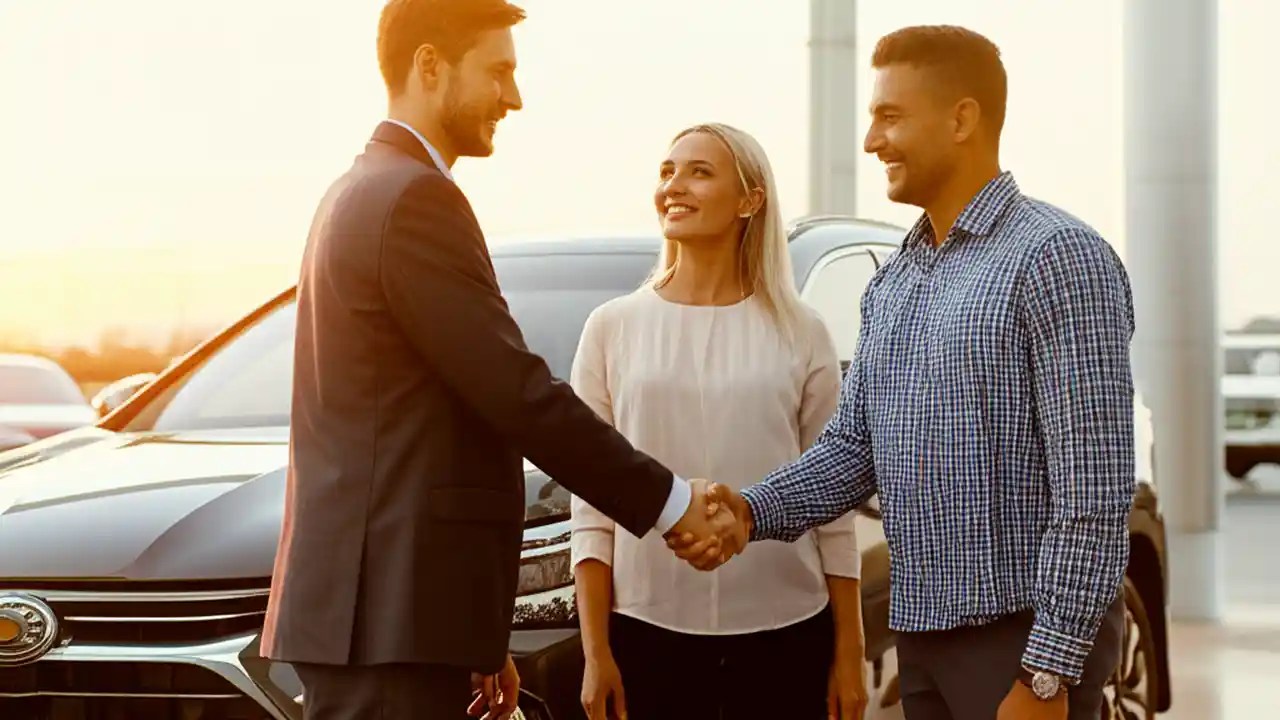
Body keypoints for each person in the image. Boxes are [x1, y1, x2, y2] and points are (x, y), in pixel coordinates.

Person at [259, 2, 737, 718]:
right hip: (388, 622)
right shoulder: (415, 199)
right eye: (499, 71)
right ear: (429, 66)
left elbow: (425, 418)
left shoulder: (359, 190)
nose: (513, 98)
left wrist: (476, 637)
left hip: (389, 616)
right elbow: (512, 391)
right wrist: (669, 504)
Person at [672, 25, 1134, 720]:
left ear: (962, 119)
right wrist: (748, 510)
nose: (871, 142)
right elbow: (852, 450)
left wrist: (1048, 671)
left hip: (1022, 645)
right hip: (922, 642)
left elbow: (1094, 492)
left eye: (890, 117)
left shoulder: (1058, 258)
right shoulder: (894, 284)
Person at [569, 123, 868, 720]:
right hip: (645, 636)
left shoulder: (800, 332)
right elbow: (591, 508)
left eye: (699, 172)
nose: (673, 186)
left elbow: (831, 507)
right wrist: (595, 651)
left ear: (750, 200)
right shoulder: (611, 327)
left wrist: (850, 652)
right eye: (667, 171)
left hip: (787, 634)